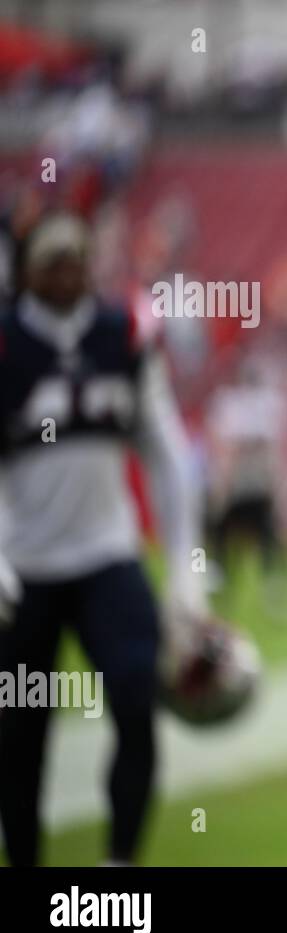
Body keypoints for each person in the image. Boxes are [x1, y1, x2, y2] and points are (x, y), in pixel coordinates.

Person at [0, 212, 206, 865]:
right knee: (18, 735)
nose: (66, 273)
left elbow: (167, 453)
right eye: (51, 260)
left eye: (75, 257)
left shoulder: (124, 333)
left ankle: (118, 867)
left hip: (107, 554)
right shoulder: (6, 344)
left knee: (137, 696)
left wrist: (182, 569)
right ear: (25, 267)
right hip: (21, 565)